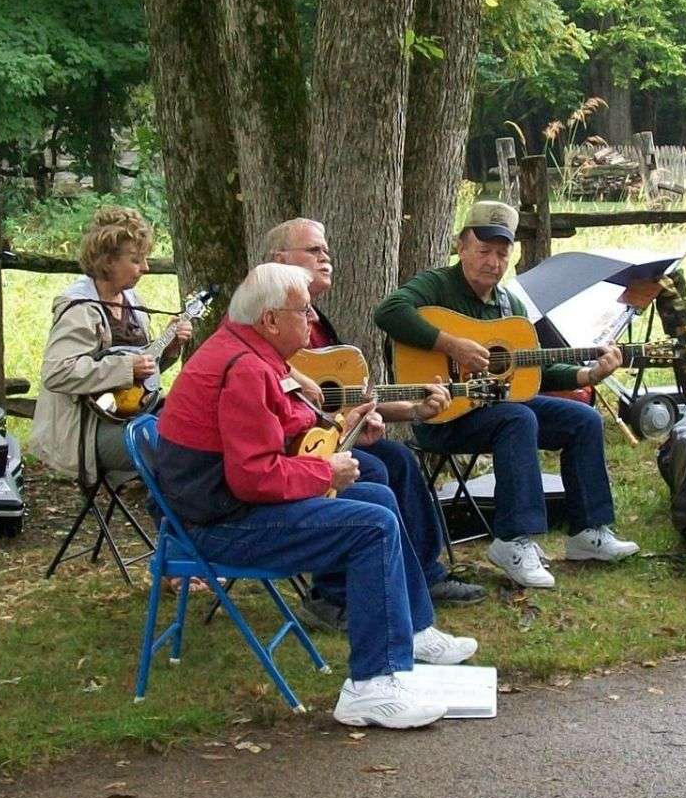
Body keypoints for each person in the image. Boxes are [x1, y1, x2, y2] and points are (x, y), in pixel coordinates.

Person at [154, 263, 478, 728]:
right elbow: (252, 477)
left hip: (223, 508)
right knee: (373, 525)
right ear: (269, 320)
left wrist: (342, 432)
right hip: (219, 526)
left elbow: (279, 430)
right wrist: (324, 469)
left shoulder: (249, 351)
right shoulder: (245, 368)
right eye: (302, 311)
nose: (311, 319)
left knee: (377, 501)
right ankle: (370, 685)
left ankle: (409, 637)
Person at [374, 201, 638, 590]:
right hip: (442, 415)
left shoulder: (509, 305)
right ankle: (513, 540)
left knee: (582, 420)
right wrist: (452, 346)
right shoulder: (436, 286)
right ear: (462, 247)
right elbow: (389, 310)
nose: (492, 262)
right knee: (519, 417)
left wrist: (588, 372)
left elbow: (533, 371)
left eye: (502, 253)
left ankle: (588, 531)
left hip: (497, 412)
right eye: (483, 251)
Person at [262, 218, 487, 629]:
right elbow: (279, 391)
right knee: (373, 468)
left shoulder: (316, 320)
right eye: (313, 250)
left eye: (326, 248)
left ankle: (421, 574)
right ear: (281, 260)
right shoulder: (271, 315)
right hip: (288, 448)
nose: (325, 256)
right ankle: (331, 595)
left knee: (397, 457)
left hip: (322, 435)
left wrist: (415, 411)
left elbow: (344, 401)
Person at [27, 207, 192, 482]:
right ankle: (180, 519)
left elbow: (140, 375)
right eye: (136, 260)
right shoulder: (79, 307)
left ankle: (182, 518)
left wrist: (169, 347)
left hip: (131, 414)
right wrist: (126, 367)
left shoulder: (133, 301)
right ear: (107, 260)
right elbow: (57, 372)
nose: (146, 268)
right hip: (87, 432)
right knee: (177, 448)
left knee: (199, 425)